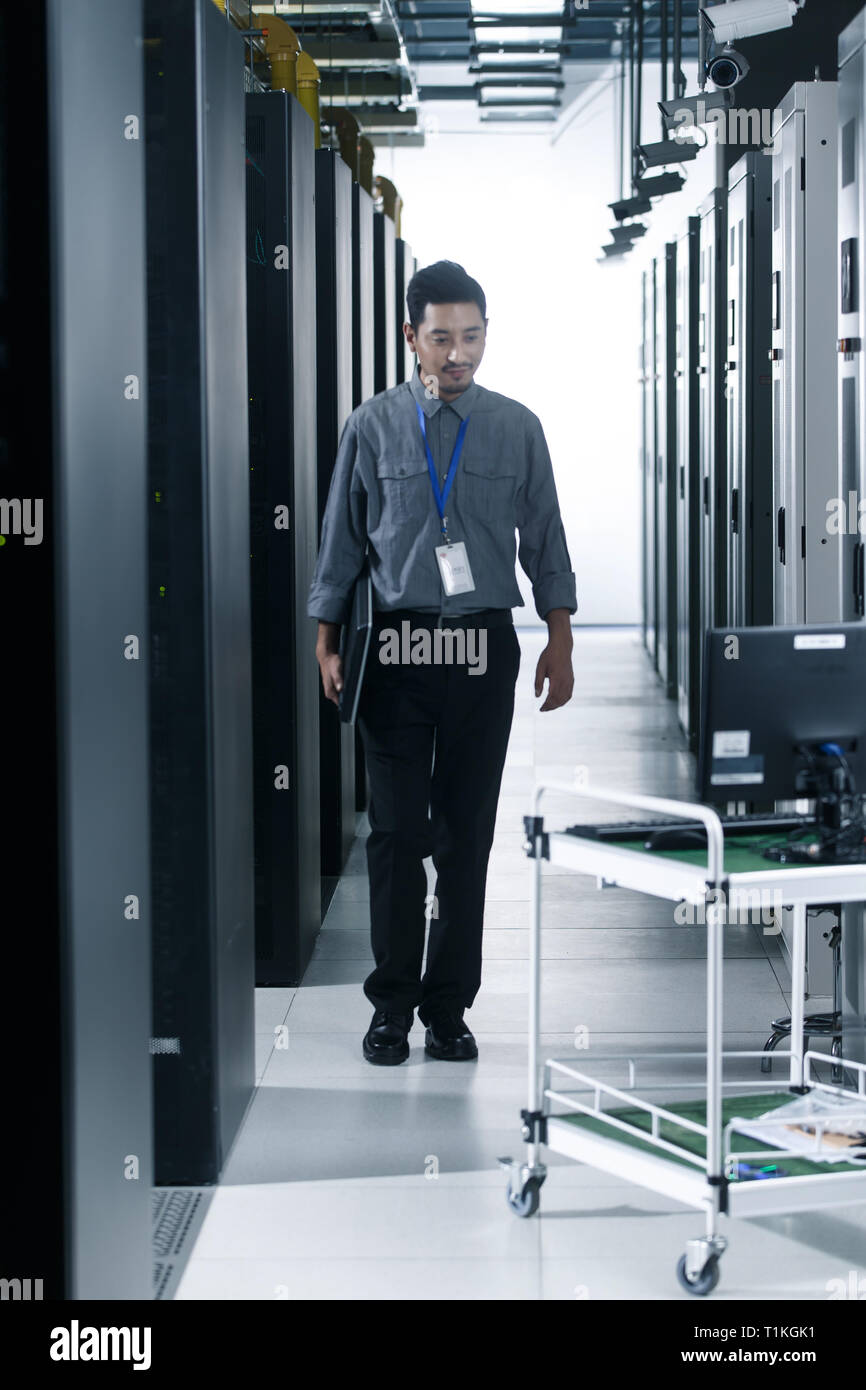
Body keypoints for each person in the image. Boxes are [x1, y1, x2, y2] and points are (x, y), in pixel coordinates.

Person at [308, 259, 577, 1065]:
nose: (458, 354)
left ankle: (448, 1008)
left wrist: (559, 638)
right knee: (394, 835)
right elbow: (342, 543)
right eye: (441, 339)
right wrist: (325, 641)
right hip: (393, 649)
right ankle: (390, 1005)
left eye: (471, 337)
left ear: (485, 334)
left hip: (481, 649)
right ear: (411, 338)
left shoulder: (517, 427)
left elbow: (547, 540)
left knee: (465, 835)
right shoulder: (372, 426)